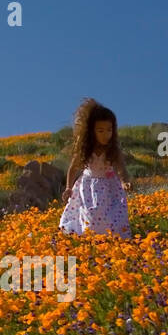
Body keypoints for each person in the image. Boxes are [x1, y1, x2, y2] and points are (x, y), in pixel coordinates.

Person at [59, 98, 132, 238]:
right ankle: (90, 241)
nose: (106, 135)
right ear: (92, 131)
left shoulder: (113, 150)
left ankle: (110, 241)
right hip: (87, 186)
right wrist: (68, 187)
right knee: (89, 214)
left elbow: (121, 167)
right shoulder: (85, 149)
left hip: (109, 187)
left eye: (109, 130)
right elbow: (73, 168)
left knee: (111, 216)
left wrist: (124, 181)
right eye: (101, 131)